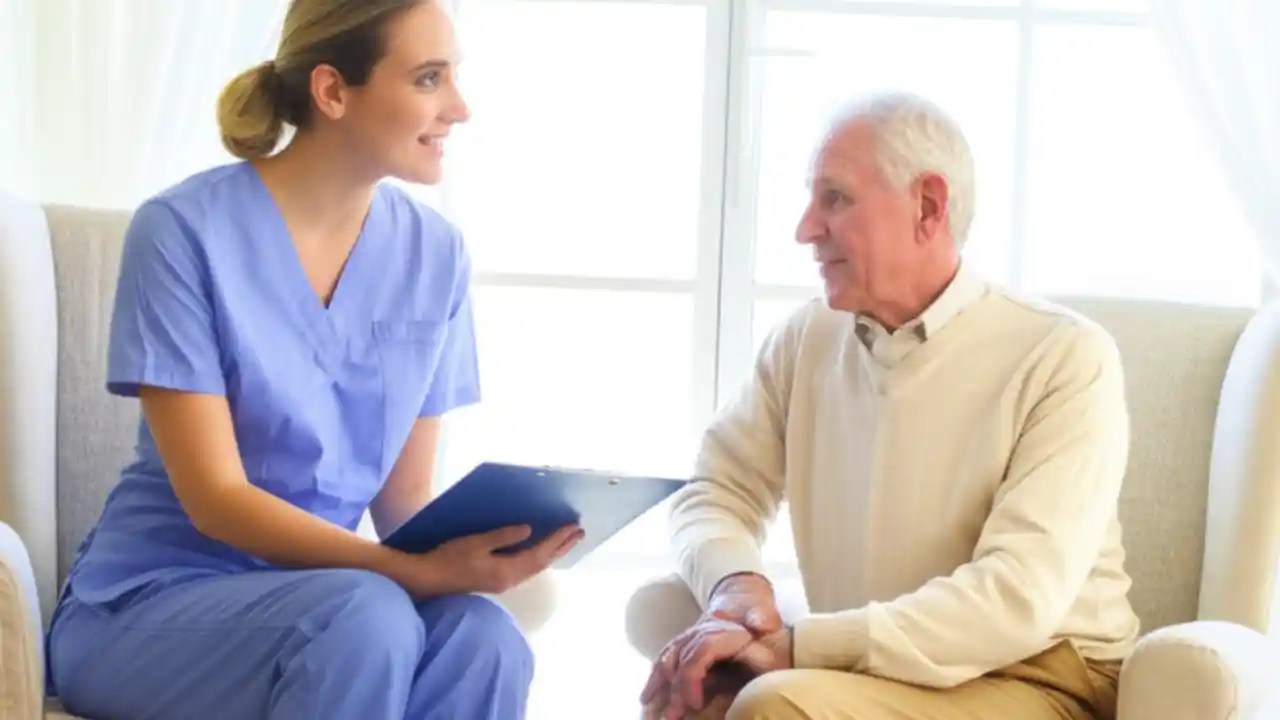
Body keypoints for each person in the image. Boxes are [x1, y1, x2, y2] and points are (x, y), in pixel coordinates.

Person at [44, 2, 582, 718]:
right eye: (429, 78)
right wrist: (404, 573)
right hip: (151, 608)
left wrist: (488, 548)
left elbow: (402, 506)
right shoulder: (181, 232)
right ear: (332, 92)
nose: (460, 108)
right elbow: (216, 500)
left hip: (340, 604)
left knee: (484, 639)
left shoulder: (436, 256)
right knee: (364, 616)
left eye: (454, 76)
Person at [630, 91, 1141, 720]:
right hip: (876, 671)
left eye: (835, 199)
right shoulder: (807, 338)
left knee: (771, 705)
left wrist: (799, 646)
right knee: (693, 695)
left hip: (1041, 676)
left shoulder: (1064, 356)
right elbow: (716, 490)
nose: (805, 229)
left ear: (927, 207)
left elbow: (1016, 599)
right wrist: (738, 587)